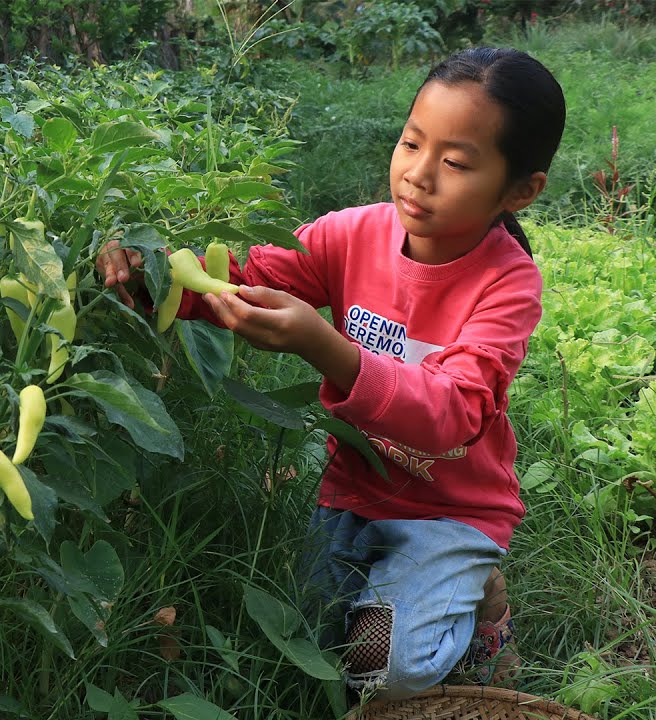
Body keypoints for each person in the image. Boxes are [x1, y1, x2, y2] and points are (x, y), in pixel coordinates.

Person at [96, 47, 566, 700]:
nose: (418, 175)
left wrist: (329, 350)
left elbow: (451, 413)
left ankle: (482, 612)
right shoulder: (352, 235)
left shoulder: (507, 284)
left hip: (450, 511)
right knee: (303, 643)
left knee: (376, 666)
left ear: (520, 190)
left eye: (456, 163)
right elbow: (243, 274)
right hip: (353, 489)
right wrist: (144, 268)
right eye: (411, 144)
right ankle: (411, 600)